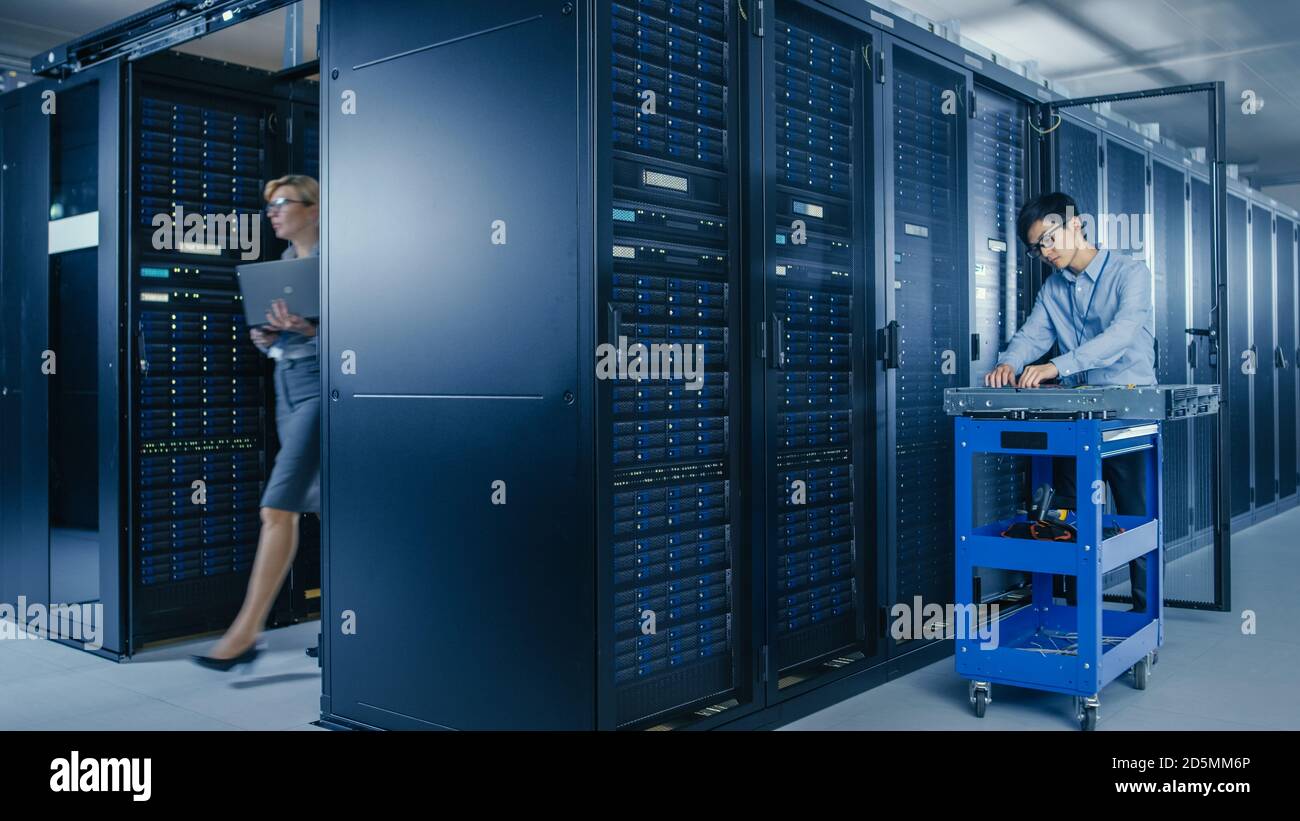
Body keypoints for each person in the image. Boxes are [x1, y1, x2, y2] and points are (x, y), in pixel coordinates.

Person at [985, 191, 1156, 612]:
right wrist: (1009, 362)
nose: (1046, 252)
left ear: (1076, 223)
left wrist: (1055, 366)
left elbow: (1120, 336)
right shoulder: (1053, 289)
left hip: (1129, 418)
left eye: (1049, 239)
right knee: (1069, 520)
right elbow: (1032, 336)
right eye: (1037, 247)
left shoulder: (1130, 273)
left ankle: (1144, 612)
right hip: (1078, 420)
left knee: (1138, 518)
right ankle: (1079, 616)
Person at [193, 174, 321, 669]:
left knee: (277, 507)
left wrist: (309, 330)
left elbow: (369, 335)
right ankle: (349, 625)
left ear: (313, 209)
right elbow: (284, 336)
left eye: (283, 203)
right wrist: (269, 339)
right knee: (327, 509)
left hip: (321, 388)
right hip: (287, 385)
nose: (273, 212)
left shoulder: (340, 264)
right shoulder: (285, 265)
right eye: (270, 205)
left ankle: (245, 633)